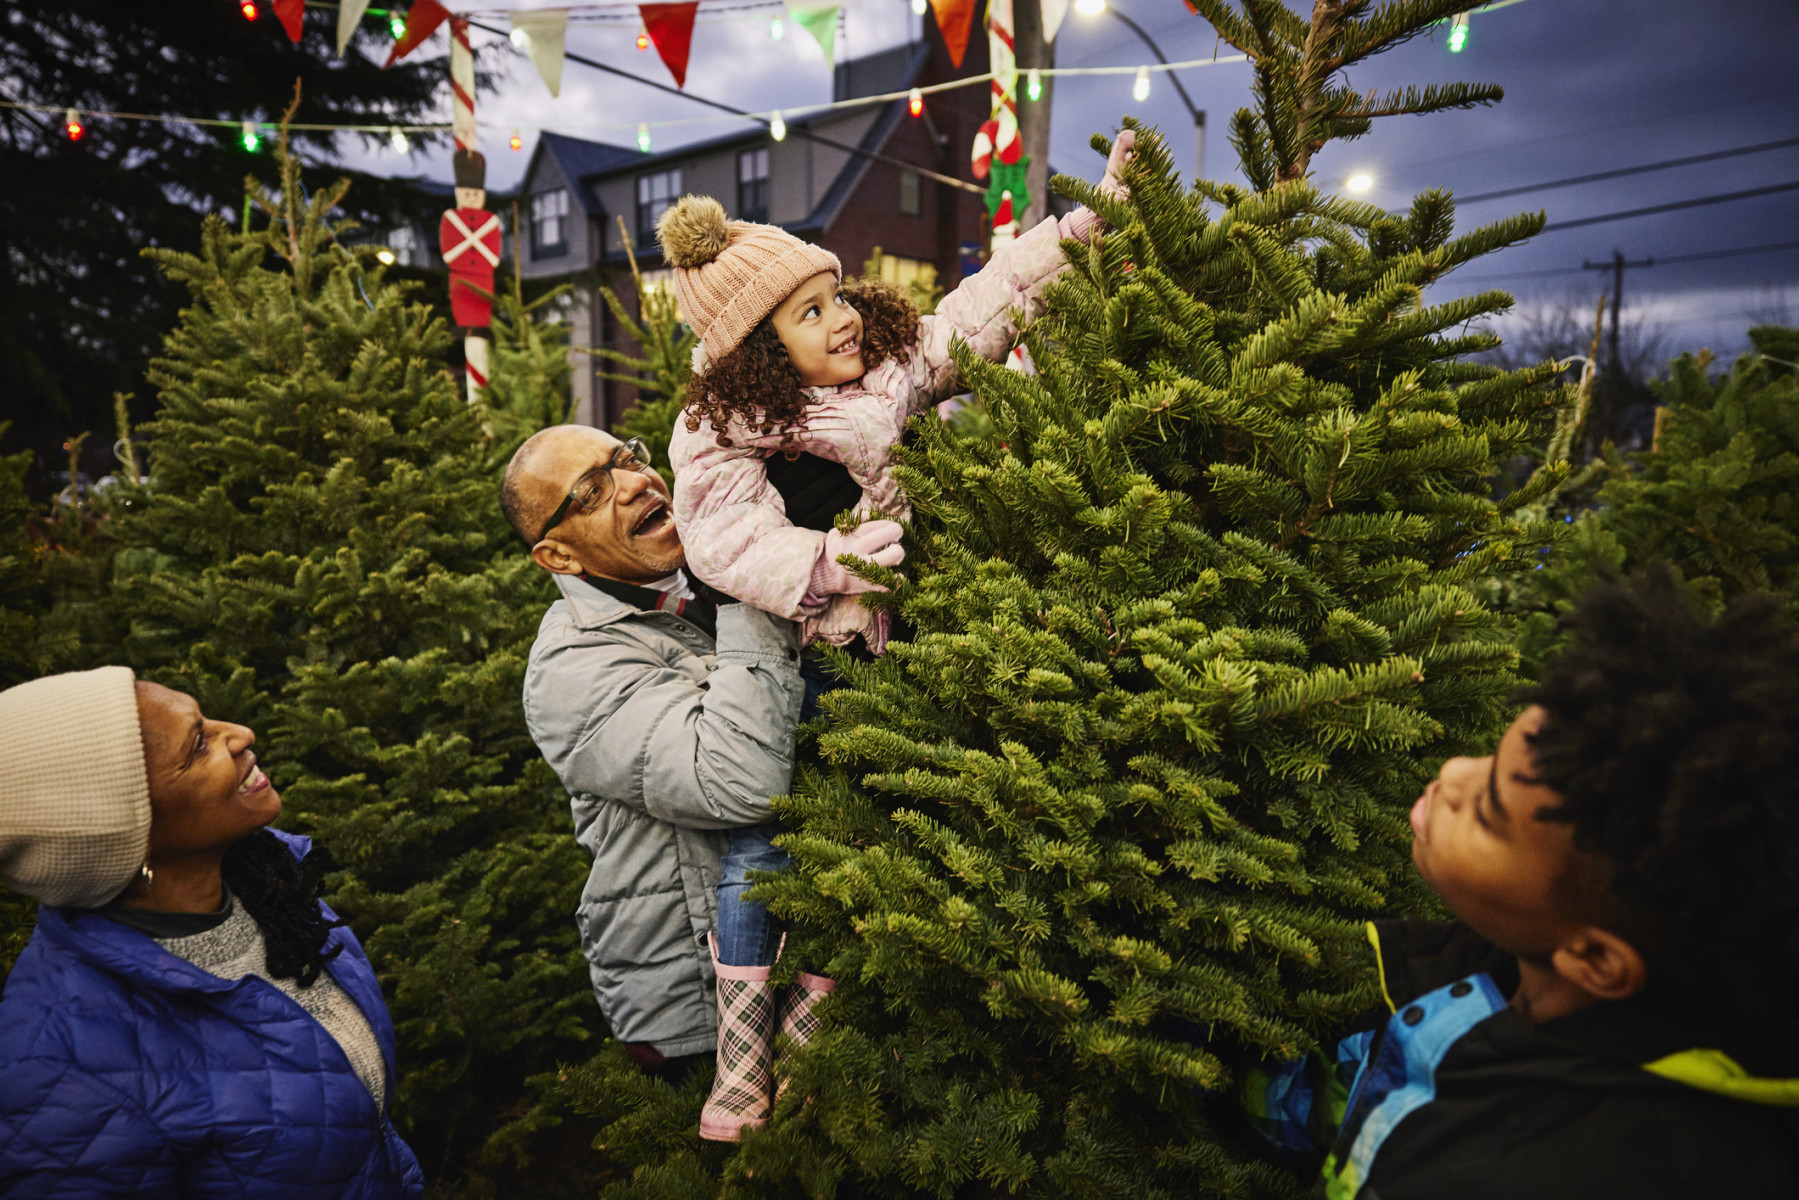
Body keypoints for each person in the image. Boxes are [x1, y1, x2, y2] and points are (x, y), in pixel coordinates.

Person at [650, 131, 1139, 1126]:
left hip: (870, 658)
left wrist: (1084, 225)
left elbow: (979, 308)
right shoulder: (719, 428)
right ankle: (739, 1058)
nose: (837, 320)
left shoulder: (881, 373)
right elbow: (719, 536)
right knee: (761, 846)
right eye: (808, 312)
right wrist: (829, 564)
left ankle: (810, 1031)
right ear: (753, 344)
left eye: (833, 297)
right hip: (770, 667)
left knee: (856, 822)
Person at [1242, 566, 1799, 1198]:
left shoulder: (1546, 1173)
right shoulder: (1509, 974)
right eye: (1486, 760)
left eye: (1486, 812)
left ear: (1594, 958)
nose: (1452, 772)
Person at [0, 666, 424, 1198]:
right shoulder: (62, 1073)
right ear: (128, 837)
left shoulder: (270, 888)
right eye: (198, 746)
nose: (240, 733)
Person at [502, 423, 815, 1141]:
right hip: (704, 1024)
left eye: (626, 458)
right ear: (556, 555)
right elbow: (739, 784)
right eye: (590, 491)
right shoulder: (572, 672)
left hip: (804, 973)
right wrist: (749, 586)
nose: (633, 482)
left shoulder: (690, 581)